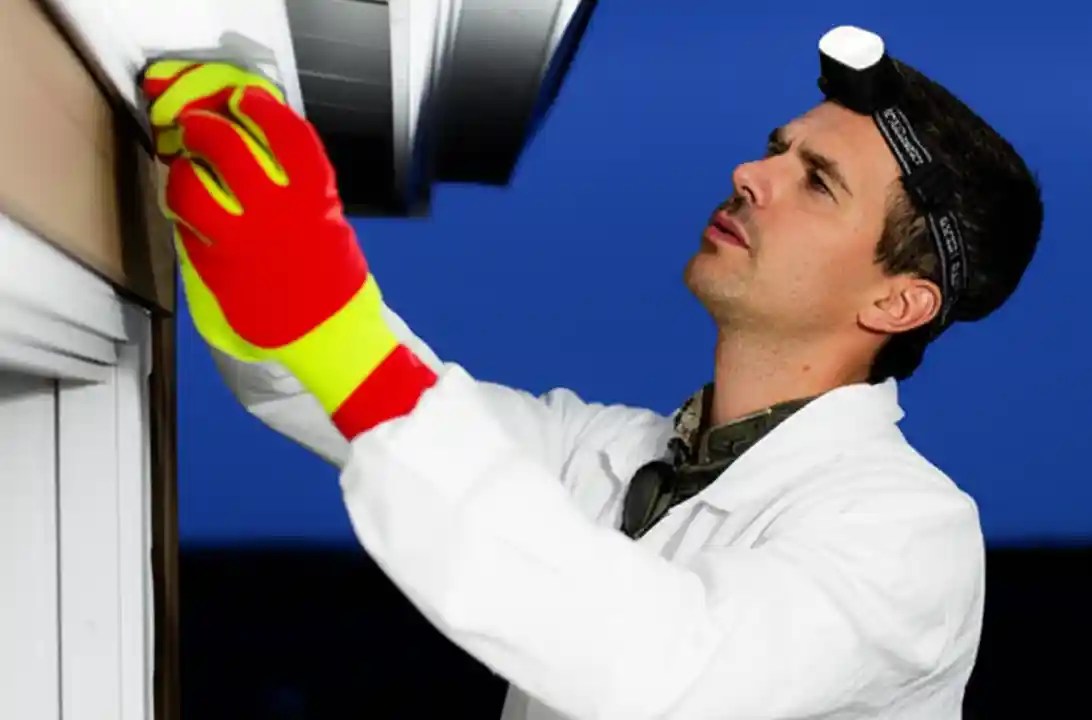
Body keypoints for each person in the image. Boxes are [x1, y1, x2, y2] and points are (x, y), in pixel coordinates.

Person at [142, 23, 1042, 720]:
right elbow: (330, 389)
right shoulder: (612, 452)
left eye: (817, 181)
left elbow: (665, 672)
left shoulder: (908, 531)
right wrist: (235, 223)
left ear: (897, 304)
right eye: (775, 147)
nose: (750, 172)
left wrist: (331, 327)